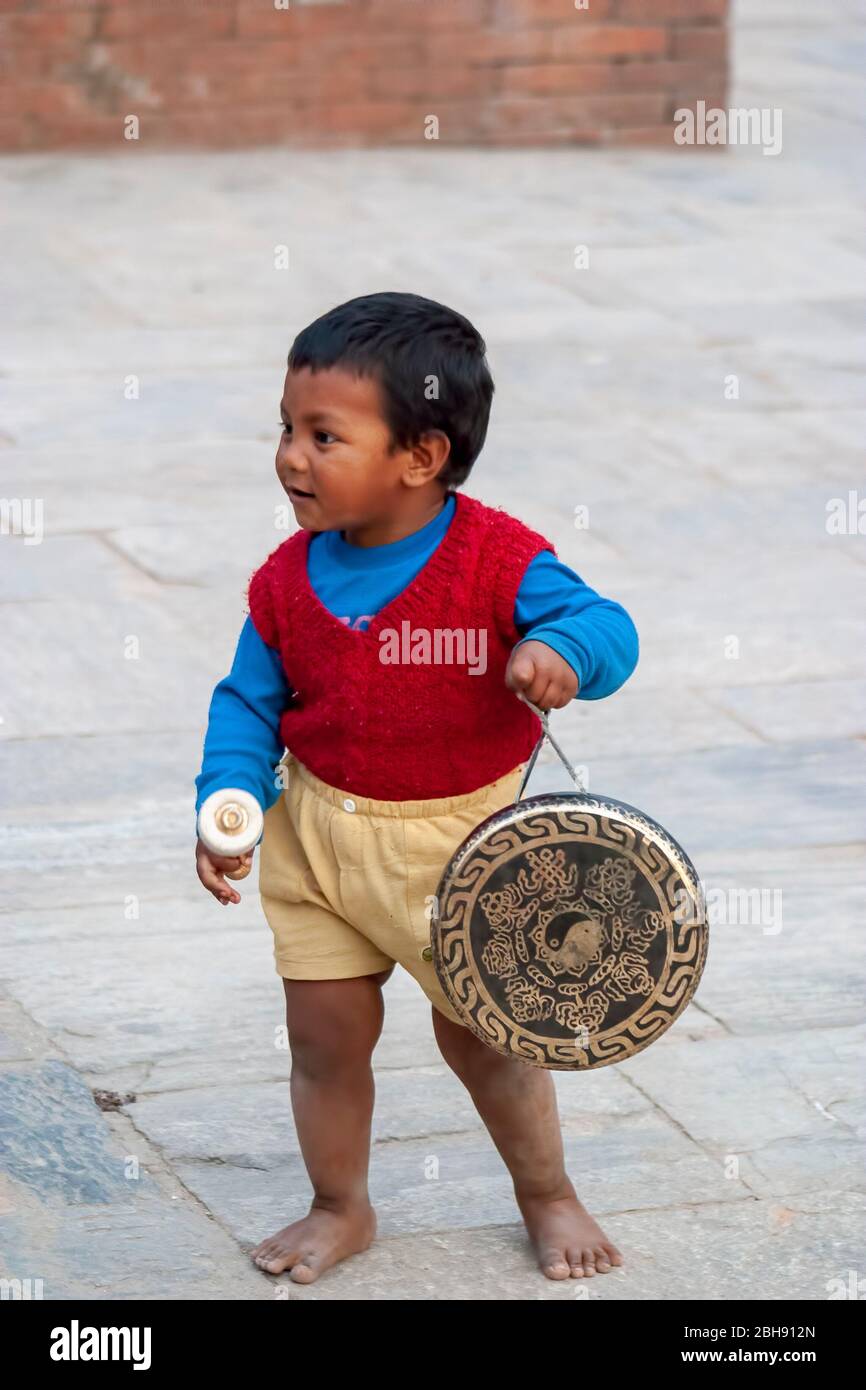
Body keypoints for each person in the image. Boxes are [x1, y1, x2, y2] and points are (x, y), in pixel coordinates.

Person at [194, 291, 638, 1285]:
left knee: (487, 1044)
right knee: (322, 1037)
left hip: (462, 857)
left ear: (421, 455)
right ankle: (339, 1204)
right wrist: (227, 806)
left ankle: (545, 1191)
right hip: (316, 845)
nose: (289, 456)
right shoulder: (282, 581)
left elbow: (611, 628)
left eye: (323, 435)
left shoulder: (496, 560)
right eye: (286, 428)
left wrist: (558, 647)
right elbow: (246, 704)